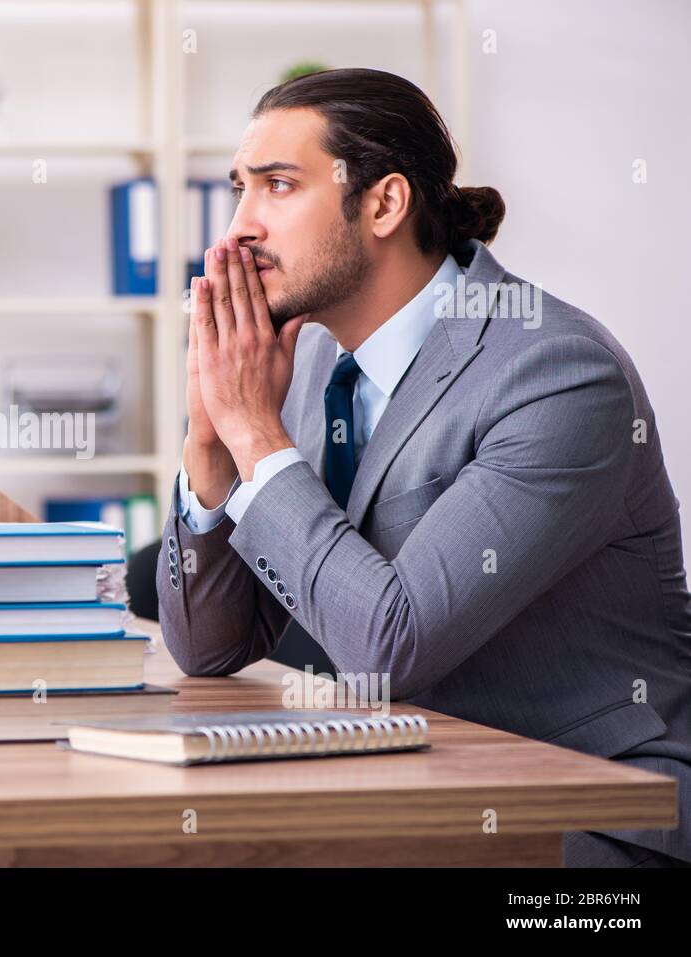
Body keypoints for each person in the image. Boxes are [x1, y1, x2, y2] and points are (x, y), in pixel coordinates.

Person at [157, 67, 691, 867]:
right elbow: (209, 648)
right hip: (419, 797)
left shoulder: (557, 375)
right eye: (240, 188)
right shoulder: (305, 365)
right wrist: (211, 449)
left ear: (383, 203)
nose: (238, 228)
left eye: (276, 186)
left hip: (584, 825)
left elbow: (390, 647)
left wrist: (256, 438)